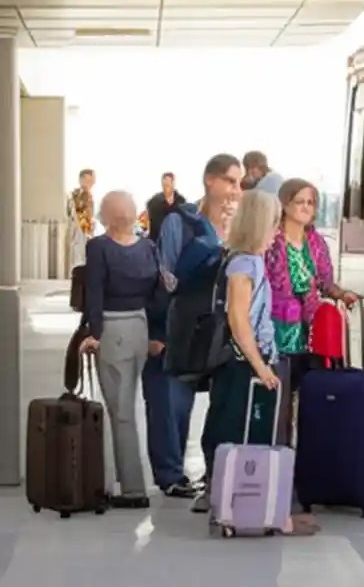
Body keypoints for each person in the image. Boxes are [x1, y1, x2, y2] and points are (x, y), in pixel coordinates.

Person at [201, 189, 319, 536]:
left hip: (247, 363)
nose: (276, 232)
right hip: (245, 366)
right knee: (244, 436)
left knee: (241, 435)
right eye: (272, 225)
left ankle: (248, 510)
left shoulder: (246, 261)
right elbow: (239, 321)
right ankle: (243, 511)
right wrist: (261, 366)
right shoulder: (243, 265)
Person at [147, 153, 243, 506]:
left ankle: (215, 471)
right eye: (231, 181)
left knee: (224, 405)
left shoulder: (241, 223)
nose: (236, 190)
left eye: (240, 183)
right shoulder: (182, 223)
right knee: (172, 403)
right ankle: (172, 476)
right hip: (185, 326)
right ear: (210, 181)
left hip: (226, 327)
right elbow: (166, 277)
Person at [78, 191, 165, 510]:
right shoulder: (148, 248)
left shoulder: (99, 247)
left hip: (113, 330)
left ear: (105, 216)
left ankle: (132, 489)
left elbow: (95, 292)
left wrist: (94, 334)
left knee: (121, 412)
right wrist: (154, 336)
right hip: (140, 326)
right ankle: (129, 481)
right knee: (130, 407)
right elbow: (159, 293)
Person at [266, 178, 358, 444]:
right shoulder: (272, 241)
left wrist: (341, 295)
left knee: (312, 401)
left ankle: (309, 460)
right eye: (300, 202)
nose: (306, 207)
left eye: (311, 202)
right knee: (281, 404)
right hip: (279, 331)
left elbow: (326, 283)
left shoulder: (316, 242)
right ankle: (280, 458)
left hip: (311, 332)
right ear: (285, 204)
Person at [144, 172, 186, 242]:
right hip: (158, 239)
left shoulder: (181, 201)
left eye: (168, 184)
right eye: (164, 185)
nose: (166, 187)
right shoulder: (154, 201)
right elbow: (153, 223)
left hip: (176, 240)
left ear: (173, 184)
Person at [67, 168, 96, 266]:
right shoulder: (78, 194)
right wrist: (88, 232)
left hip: (85, 232)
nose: (93, 182)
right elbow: (80, 216)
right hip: (81, 232)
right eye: (90, 179)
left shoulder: (87, 194)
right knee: (80, 259)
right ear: (82, 179)